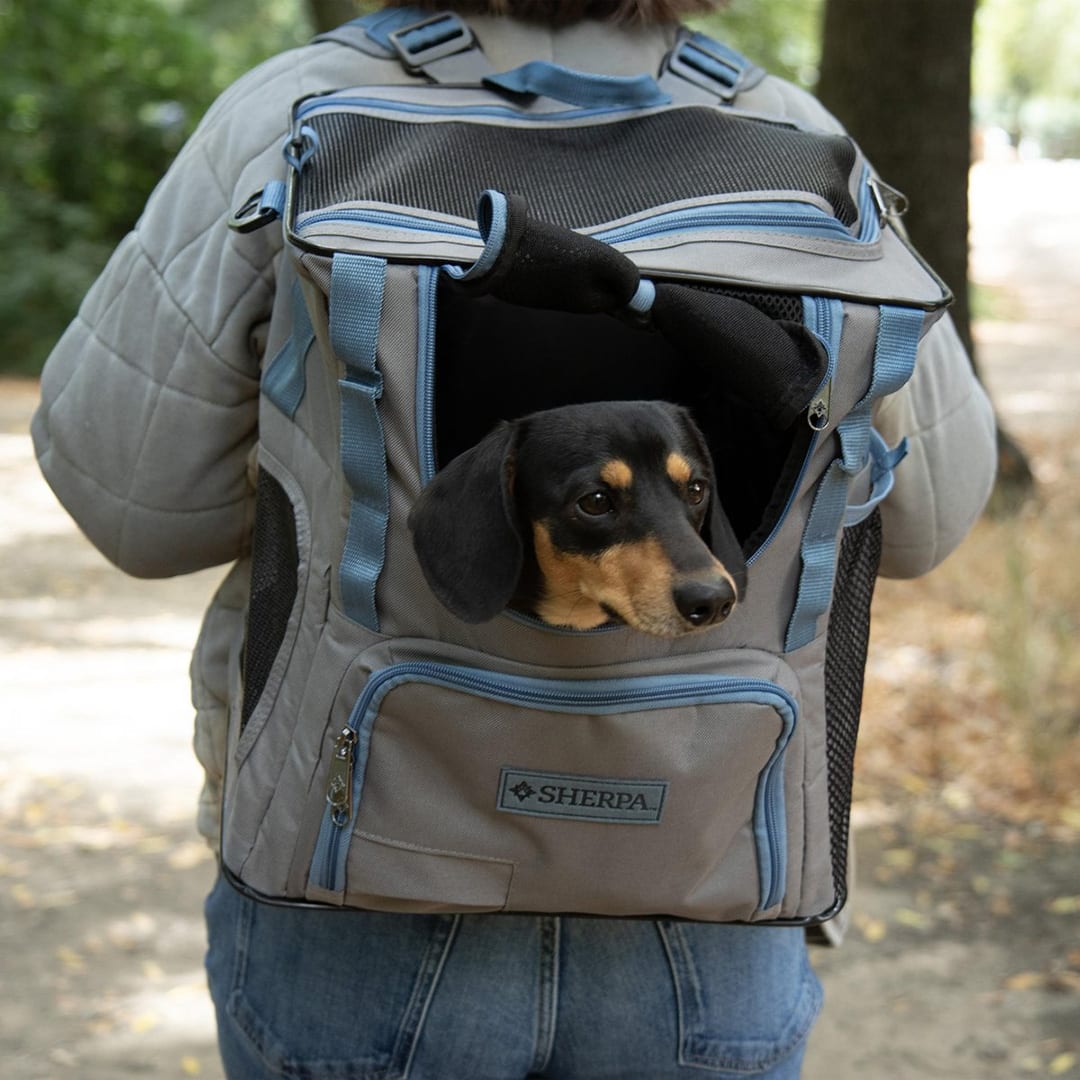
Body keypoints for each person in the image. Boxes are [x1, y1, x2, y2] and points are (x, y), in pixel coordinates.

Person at [32, 1, 997, 1075]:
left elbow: (132, 501)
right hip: (708, 870)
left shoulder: (293, 112)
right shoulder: (793, 140)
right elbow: (929, 520)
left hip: (360, 867)